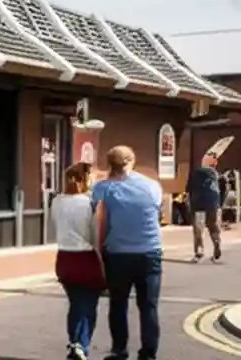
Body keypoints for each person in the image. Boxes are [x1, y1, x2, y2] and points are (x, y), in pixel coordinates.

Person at [92, 145, 163, 360]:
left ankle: (119, 349)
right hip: (149, 252)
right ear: (131, 161)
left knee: (118, 303)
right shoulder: (152, 186)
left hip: (117, 254)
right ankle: (148, 353)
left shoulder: (102, 188)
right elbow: (156, 213)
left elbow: (96, 217)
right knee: (148, 306)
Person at [52, 162, 104, 360]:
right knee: (88, 305)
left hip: (64, 257)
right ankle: (81, 345)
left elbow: (53, 227)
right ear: (86, 179)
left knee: (75, 304)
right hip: (86, 258)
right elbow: (95, 235)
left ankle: (74, 342)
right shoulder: (90, 203)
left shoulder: (57, 201)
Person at [186, 154, 223, 262]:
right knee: (213, 226)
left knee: (198, 228)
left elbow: (188, 190)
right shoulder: (216, 176)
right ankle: (217, 243)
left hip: (198, 203)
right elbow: (223, 190)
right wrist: (219, 204)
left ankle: (199, 252)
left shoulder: (195, 173)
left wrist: (189, 204)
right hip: (213, 203)